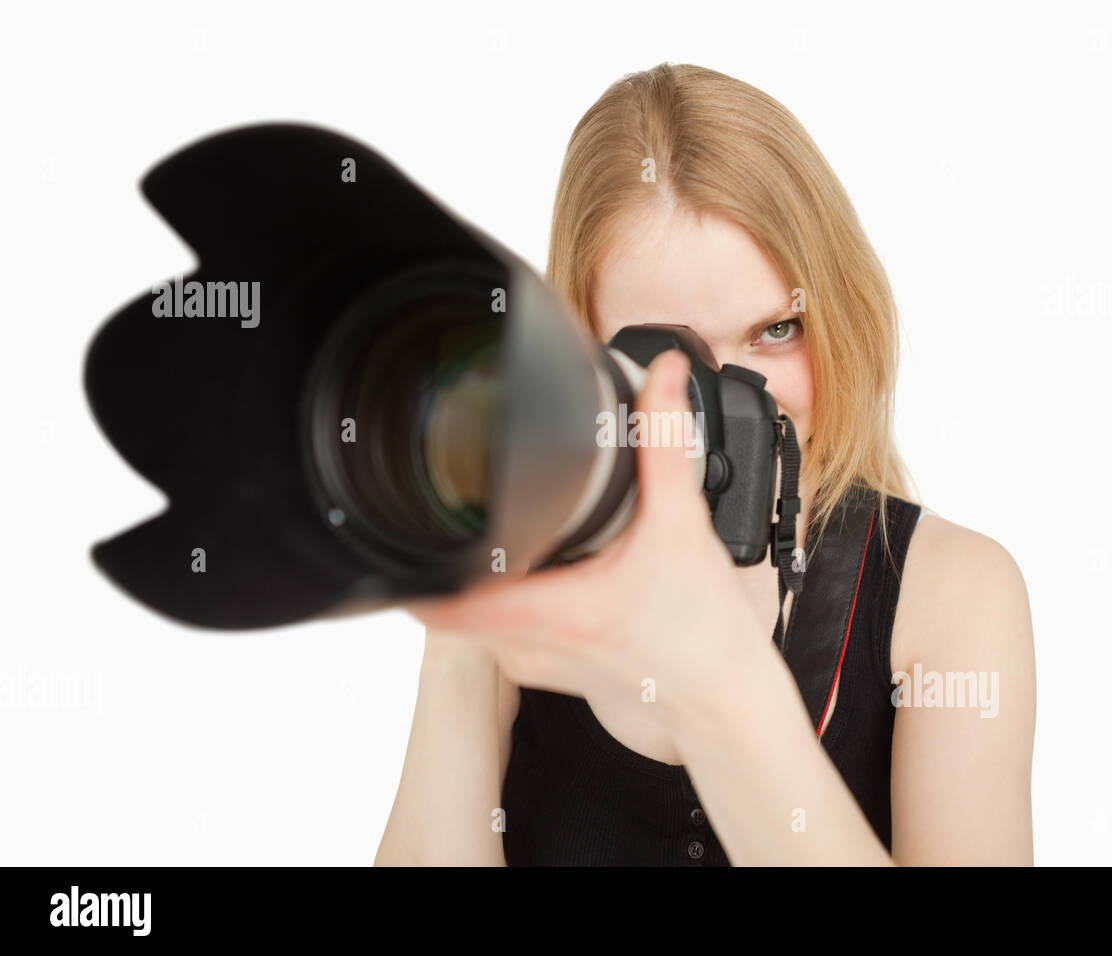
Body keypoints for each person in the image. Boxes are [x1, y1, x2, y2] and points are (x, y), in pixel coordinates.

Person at [374, 63, 1035, 866]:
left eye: (776, 332)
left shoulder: (949, 594)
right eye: (672, 353)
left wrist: (714, 674)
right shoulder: (529, 593)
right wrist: (463, 626)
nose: (740, 405)